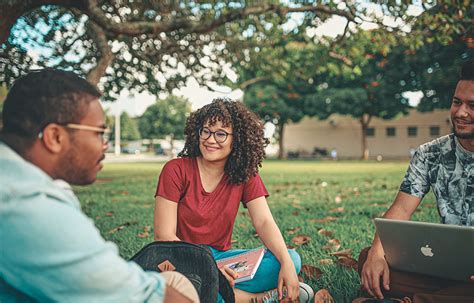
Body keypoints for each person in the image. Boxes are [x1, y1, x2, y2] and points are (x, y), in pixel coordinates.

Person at [0, 69, 199, 303]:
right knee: (180, 288)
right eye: (99, 133)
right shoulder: (27, 205)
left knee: (175, 280)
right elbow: (150, 297)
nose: (104, 145)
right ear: (55, 137)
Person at [153, 98, 312, 302]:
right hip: (182, 260)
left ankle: (217, 293)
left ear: (237, 139)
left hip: (221, 260)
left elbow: (263, 221)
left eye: (221, 134)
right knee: (181, 286)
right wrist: (210, 271)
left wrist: (287, 266)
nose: (210, 140)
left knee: (291, 258)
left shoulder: (244, 174)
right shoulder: (175, 170)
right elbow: (163, 236)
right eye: (206, 131)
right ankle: (257, 298)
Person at [356, 59, 474, 303]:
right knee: (369, 260)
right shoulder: (430, 154)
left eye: (472, 105)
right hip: (449, 268)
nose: (461, 112)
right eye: (457, 102)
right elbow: (400, 209)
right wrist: (377, 254)